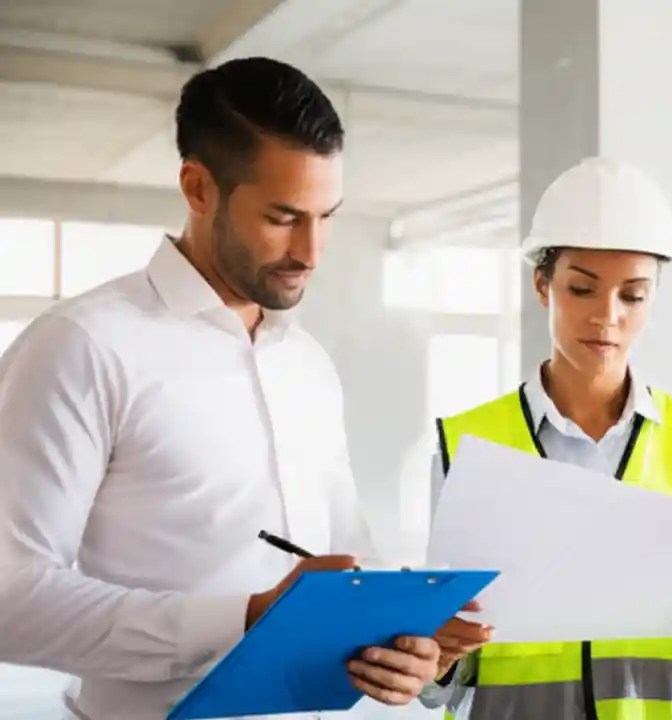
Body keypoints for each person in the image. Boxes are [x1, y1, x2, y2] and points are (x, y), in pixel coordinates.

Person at [0, 57, 445, 719]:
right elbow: (11, 601)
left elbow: (347, 551)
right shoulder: (82, 347)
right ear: (198, 187)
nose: (313, 251)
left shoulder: (309, 365)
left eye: (328, 216)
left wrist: (409, 642)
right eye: (283, 217)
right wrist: (243, 618)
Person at [421, 157, 672, 719]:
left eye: (632, 295)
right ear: (543, 286)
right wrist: (439, 652)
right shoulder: (466, 445)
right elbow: (443, 674)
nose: (606, 316)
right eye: (583, 289)